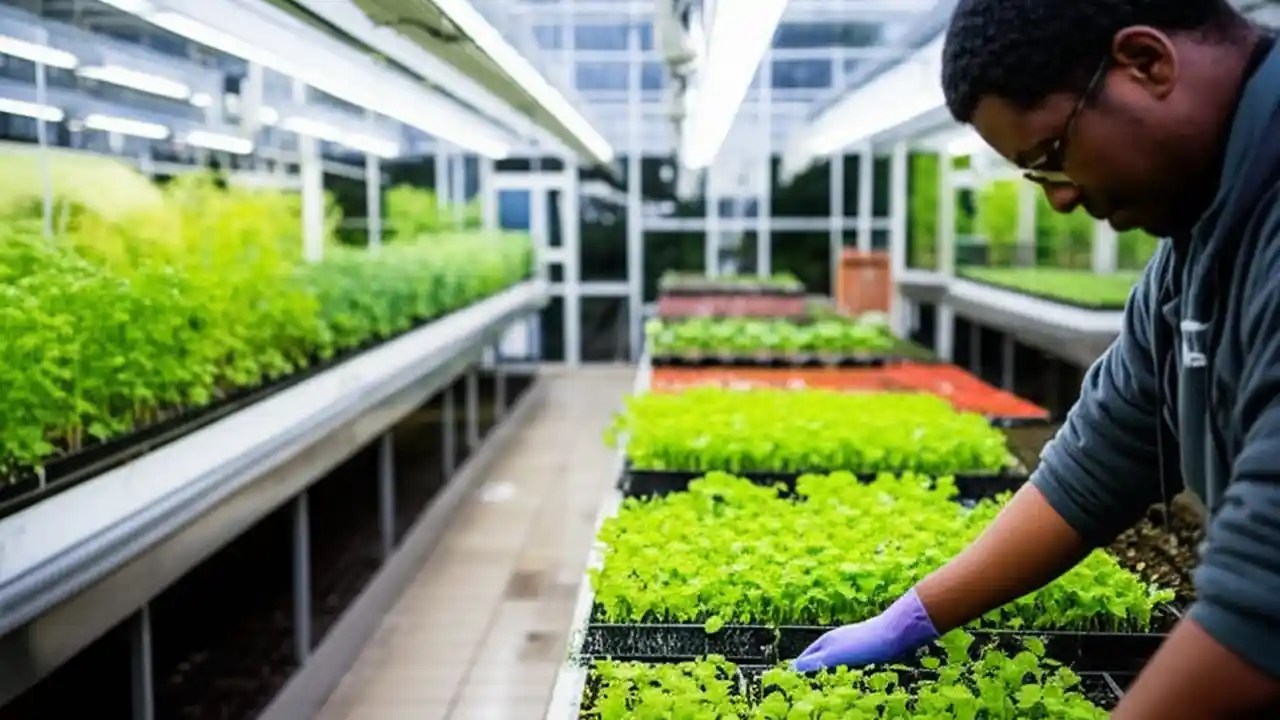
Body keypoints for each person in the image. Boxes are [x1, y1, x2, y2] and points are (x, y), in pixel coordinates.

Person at [791, 0, 1280, 716]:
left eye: (1051, 156)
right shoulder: (1198, 239)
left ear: (1147, 64)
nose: (1060, 199)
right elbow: (1100, 457)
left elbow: (1264, 598)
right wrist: (914, 616)